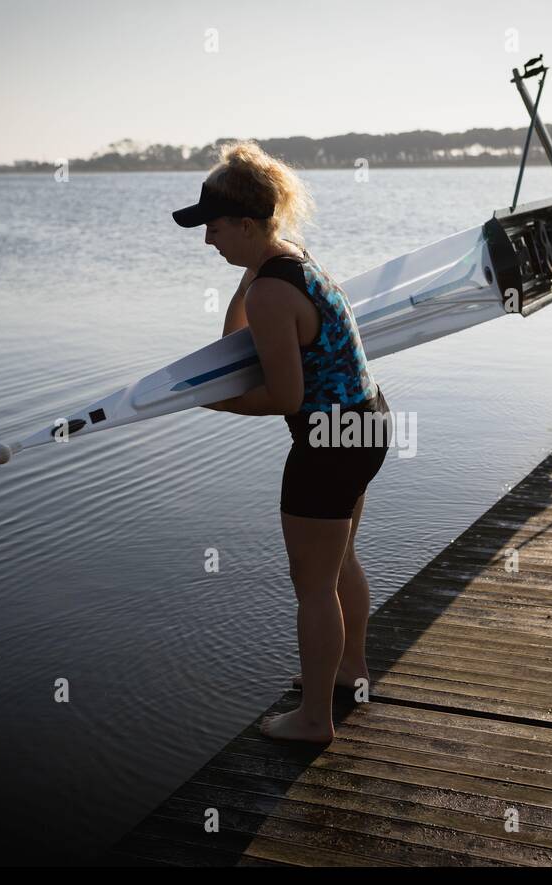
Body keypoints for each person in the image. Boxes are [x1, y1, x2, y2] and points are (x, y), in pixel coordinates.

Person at [173, 140, 390, 744]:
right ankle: (349, 671)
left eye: (213, 228)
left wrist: (208, 400)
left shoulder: (271, 290)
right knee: (340, 559)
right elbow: (235, 339)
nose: (207, 239)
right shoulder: (287, 257)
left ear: (245, 224)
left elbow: (285, 397)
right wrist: (245, 276)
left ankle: (316, 720)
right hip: (368, 419)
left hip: (328, 442)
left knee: (314, 585)